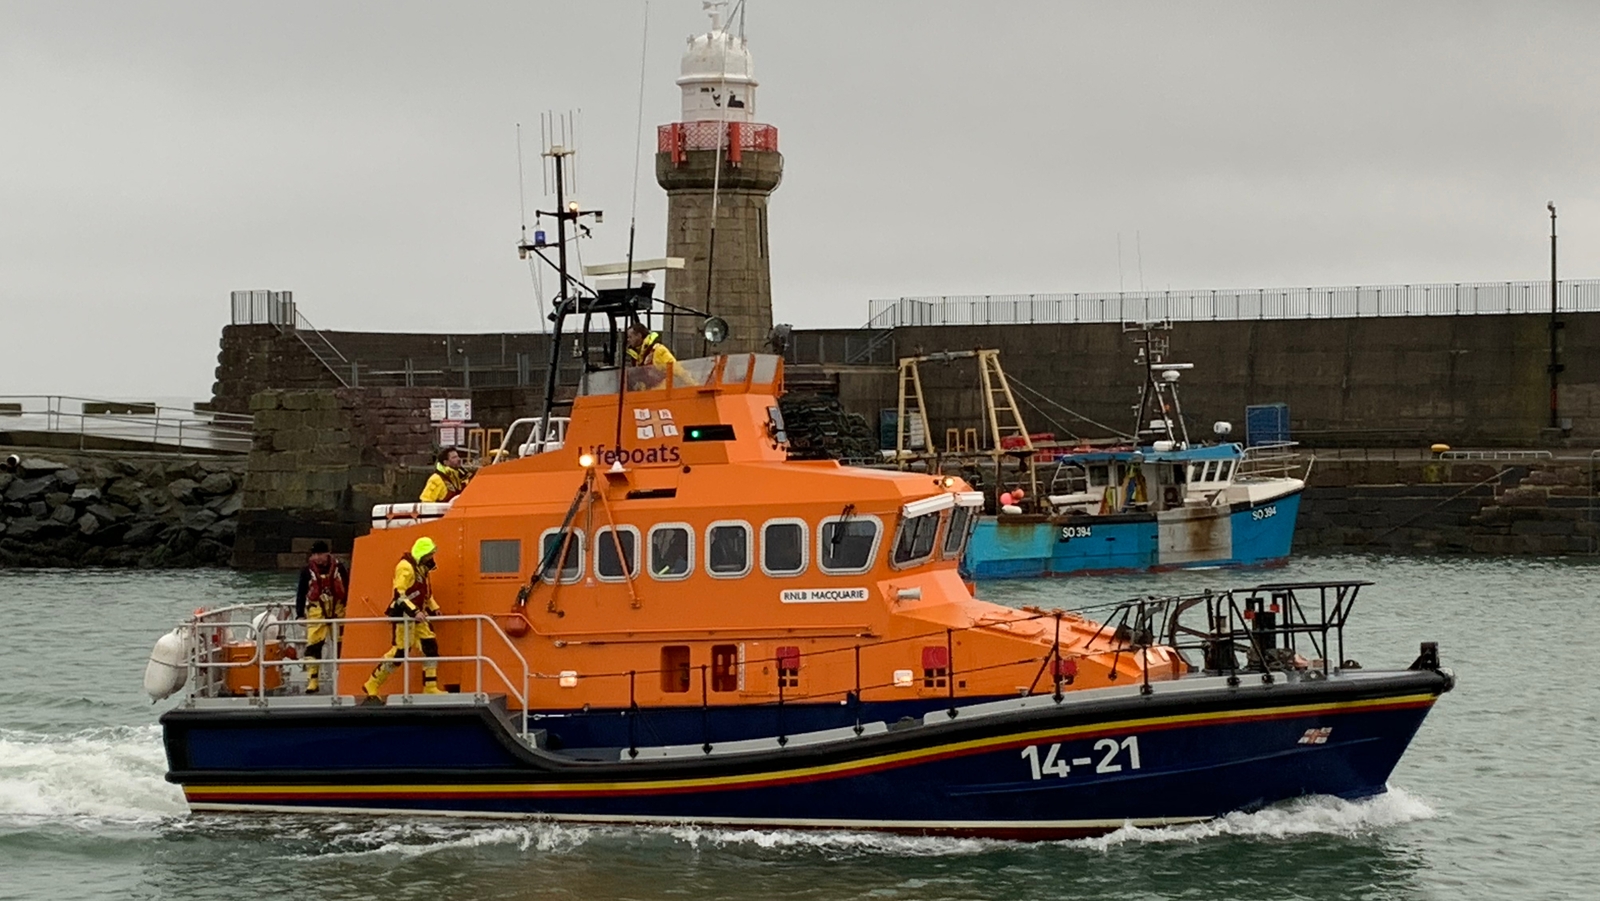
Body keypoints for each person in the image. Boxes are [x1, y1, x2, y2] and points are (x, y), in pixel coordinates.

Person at [362, 536, 446, 700]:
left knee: (431, 648)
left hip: (418, 618)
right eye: (429, 554)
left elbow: (425, 594)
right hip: (404, 616)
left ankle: (430, 687)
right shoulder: (405, 567)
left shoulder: (421, 568)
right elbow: (399, 594)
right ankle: (372, 683)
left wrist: (435, 609)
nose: (431, 558)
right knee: (399, 652)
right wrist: (415, 612)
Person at [295, 540, 348, 694]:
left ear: (327, 554)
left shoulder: (339, 568)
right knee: (313, 646)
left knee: (341, 644)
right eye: (315, 554)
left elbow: (348, 586)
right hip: (316, 611)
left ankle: (342, 677)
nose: (317, 557)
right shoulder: (307, 571)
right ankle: (313, 681)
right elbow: (301, 592)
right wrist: (299, 614)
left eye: (320, 554)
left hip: (338, 610)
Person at [625, 320, 681, 388]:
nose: (628, 339)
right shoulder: (638, 356)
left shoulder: (658, 350)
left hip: (662, 393)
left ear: (639, 336)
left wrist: (694, 386)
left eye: (630, 337)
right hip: (651, 394)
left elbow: (678, 370)